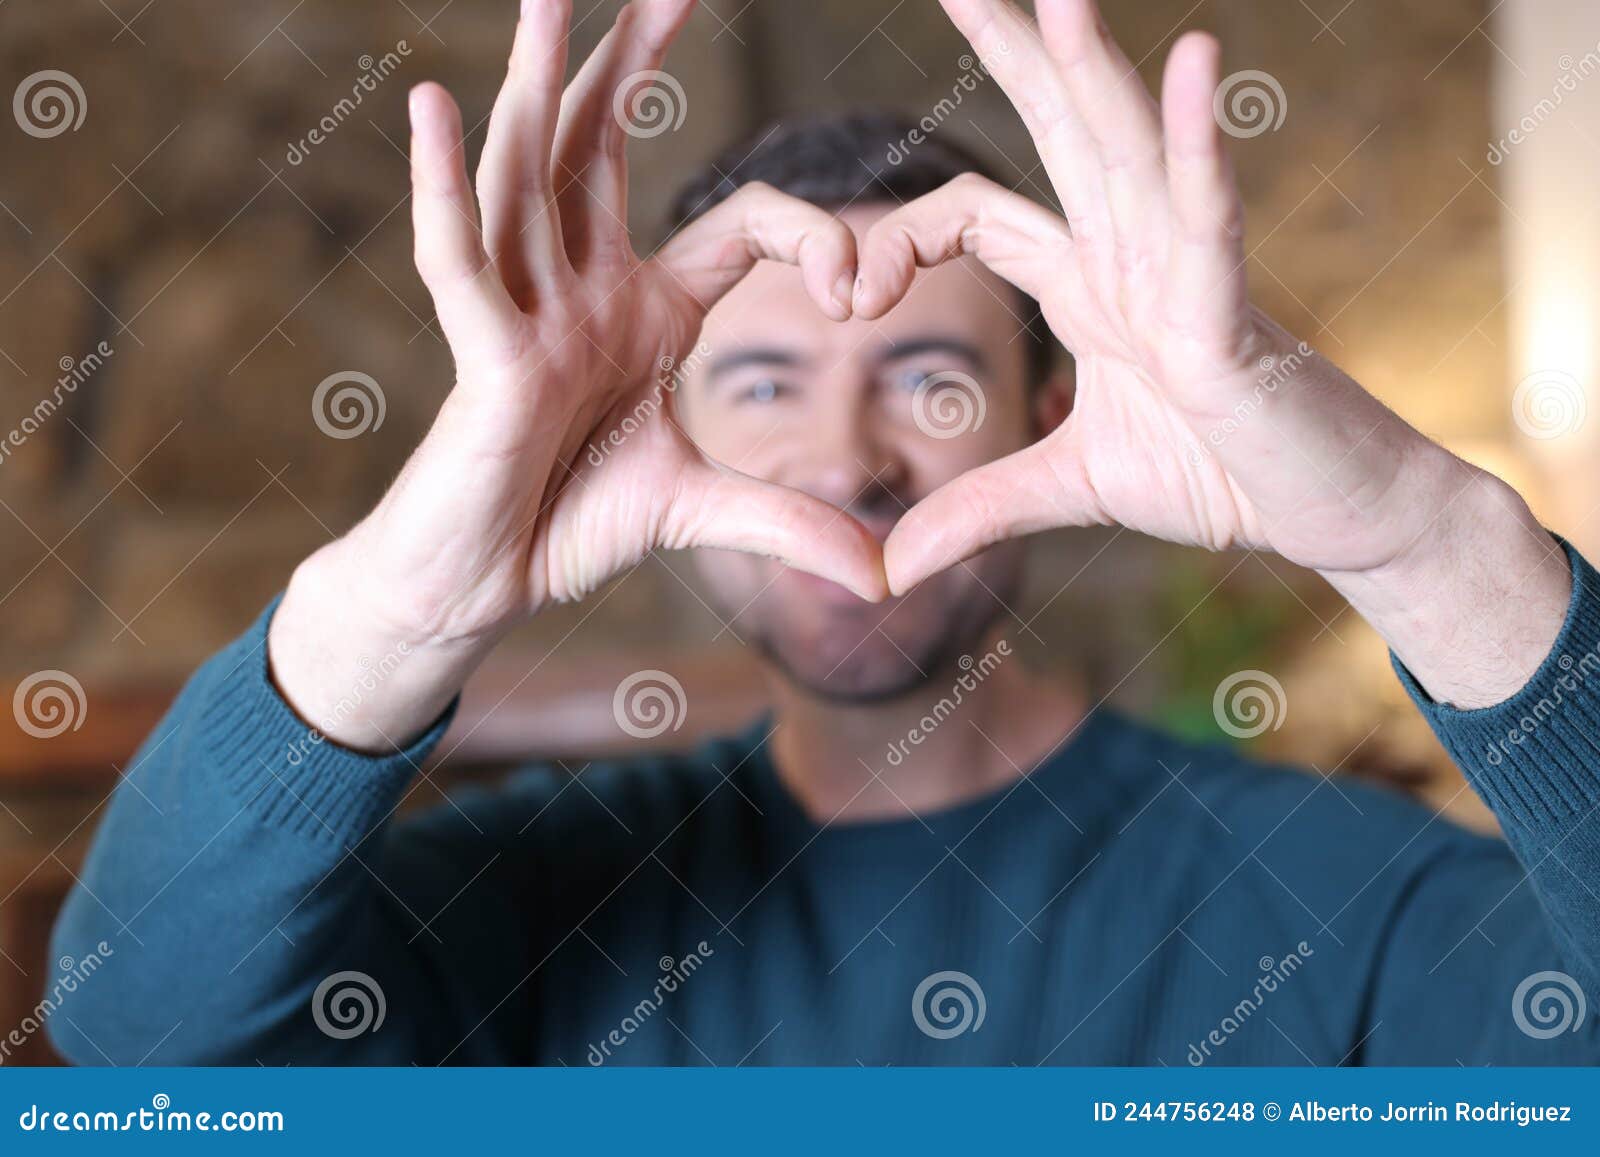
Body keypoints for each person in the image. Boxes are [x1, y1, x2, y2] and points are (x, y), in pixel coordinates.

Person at [48, 0, 1600, 1065]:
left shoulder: (1334, 902)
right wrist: (405, 602)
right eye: (766, 379)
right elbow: (137, 1042)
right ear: (653, 428)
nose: (847, 459)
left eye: (926, 378)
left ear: (1051, 412)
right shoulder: (516, 903)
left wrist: (1419, 535)